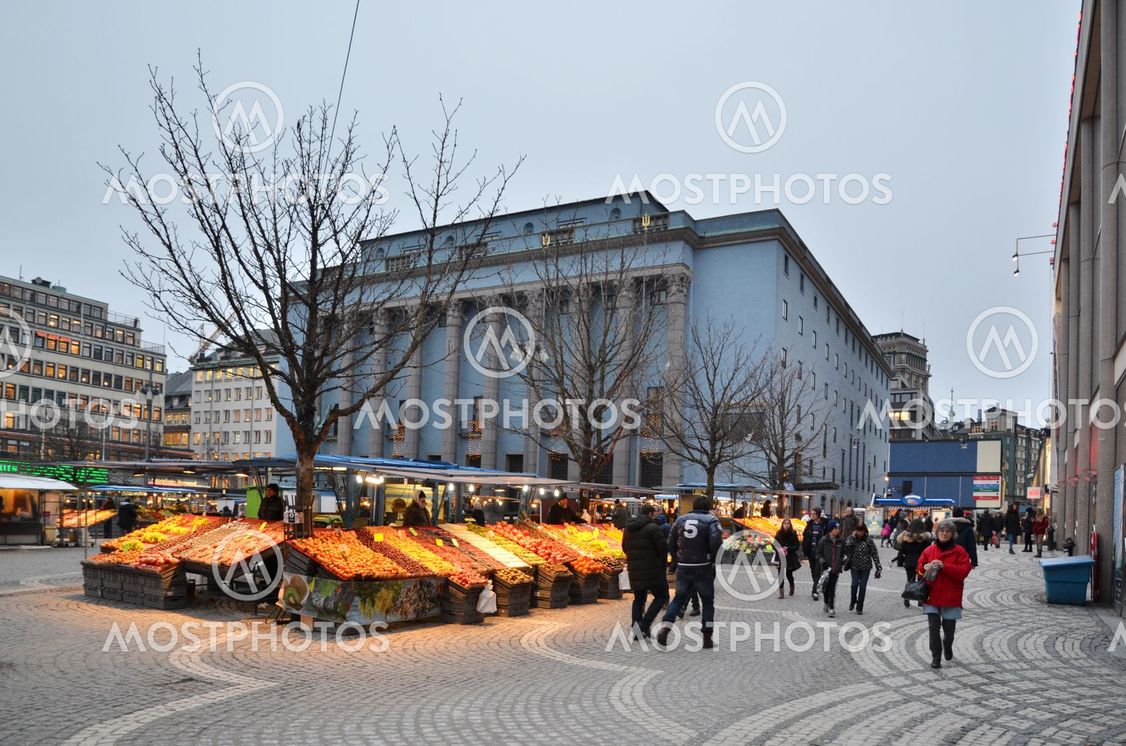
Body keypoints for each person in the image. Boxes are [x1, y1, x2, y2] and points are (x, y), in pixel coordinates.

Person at [657, 496, 723, 649]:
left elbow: (670, 542)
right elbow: (716, 542)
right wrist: (713, 559)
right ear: (708, 507)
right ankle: (707, 638)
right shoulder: (712, 520)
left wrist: (677, 558)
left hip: (684, 565)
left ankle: (665, 628)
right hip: (703, 566)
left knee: (679, 598)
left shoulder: (681, 520)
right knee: (707, 602)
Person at [918, 519, 973, 669]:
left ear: (952, 534)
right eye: (942, 531)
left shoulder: (960, 551)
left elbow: (964, 571)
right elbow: (920, 571)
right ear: (937, 533)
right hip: (931, 596)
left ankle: (947, 645)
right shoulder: (929, 550)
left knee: (949, 631)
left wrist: (945, 566)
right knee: (933, 628)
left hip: (951, 597)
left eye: (948, 531)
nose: (944, 533)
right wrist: (925, 568)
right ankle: (936, 656)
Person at [622, 504, 669, 639]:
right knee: (660, 597)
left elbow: (625, 548)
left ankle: (637, 631)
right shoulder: (653, 528)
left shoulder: (628, 529)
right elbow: (662, 549)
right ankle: (645, 624)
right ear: (650, 514)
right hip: (652, 569)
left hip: (635, 569)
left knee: (639, 599)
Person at [843, 522, 881, 614]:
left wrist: (878, 567)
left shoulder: (869, 540)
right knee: (854, 585)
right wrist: (852, 537)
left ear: (864, 531)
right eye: (857, 530)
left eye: (861, 531)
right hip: (854, 566)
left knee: (863, 587)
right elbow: (846, 547)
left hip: (866, 567)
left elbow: (874, 554)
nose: (859, 533)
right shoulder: (852, 539)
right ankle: (853, 600)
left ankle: (859, 607)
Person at [895, 519, 932, 608]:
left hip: (909, 562)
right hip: (921, 563)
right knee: (921, 581)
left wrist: (900, 562)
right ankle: (920, 600)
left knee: (910, 580)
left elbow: (902, 552)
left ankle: (907, 597)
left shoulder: (906, 538)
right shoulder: (925, 539)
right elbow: (928, 552)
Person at [816, 521, 845, 617]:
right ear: (831, 529)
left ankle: (832, 607)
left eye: (838, 528)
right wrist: (822, 561)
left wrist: (842, 562)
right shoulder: (823, 540)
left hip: (835, 569)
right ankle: (826, 602)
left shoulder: (841, 541)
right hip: (825, 569)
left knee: (832, 589)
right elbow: (818, 553)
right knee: (825, 588)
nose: (838, 530)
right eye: (835, 528)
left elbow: (843, 554)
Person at [802, 508, 831, 601]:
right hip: (811, 552)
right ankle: (818, 585)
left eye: (814, 514)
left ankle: (815, 590)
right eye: (812, 514)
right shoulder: (809, 524)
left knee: (817, 571)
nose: (812, 515)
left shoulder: (824, 525)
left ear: (818, 515)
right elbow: (805, 536)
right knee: (813, 571)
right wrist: (805, 548)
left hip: (820, 552)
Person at [774, 518, 801, 598]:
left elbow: (796, 546)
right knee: (780, 575)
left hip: (790, 557)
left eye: (788, 523)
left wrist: (788, 548)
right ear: (782, 525)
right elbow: (774, 545)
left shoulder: (793, 534)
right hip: (780, 557)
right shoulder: (778, 534)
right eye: (785, 523)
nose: (786, 525)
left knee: (789, 574)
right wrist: (779, 549)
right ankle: (781, 592)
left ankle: (792, 586)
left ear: (790, 525)